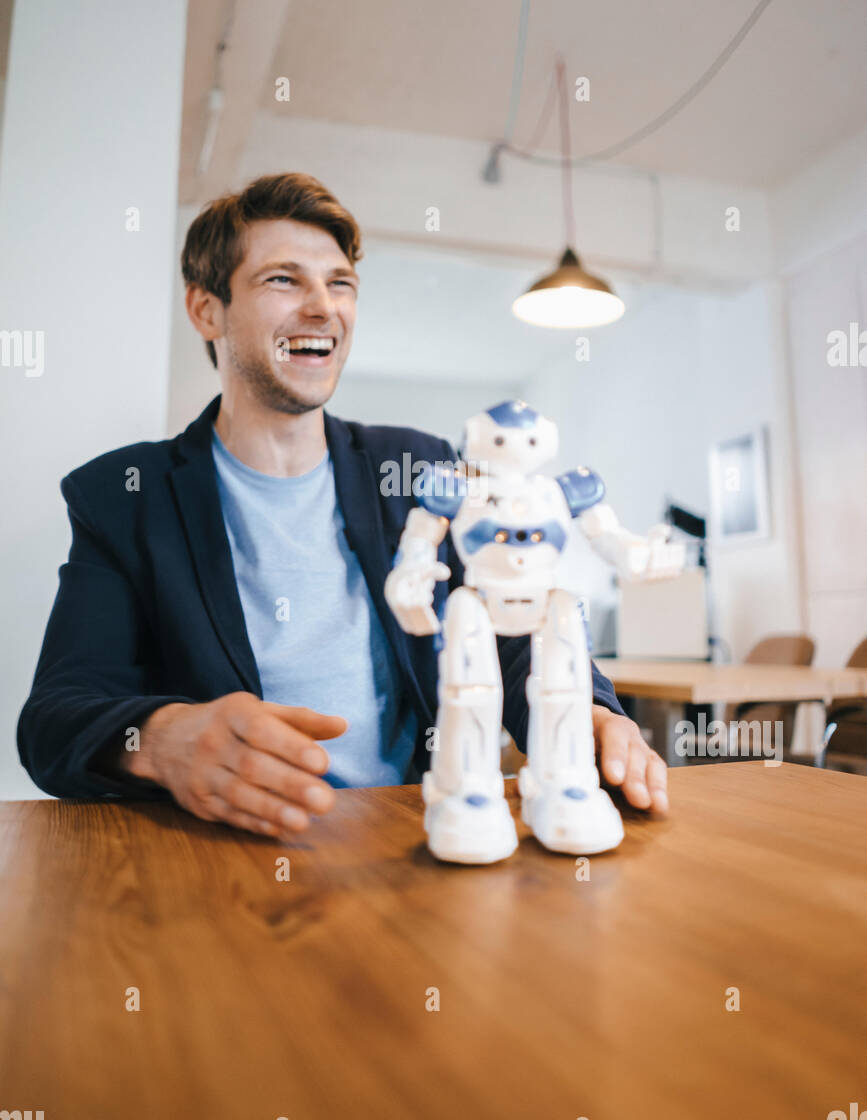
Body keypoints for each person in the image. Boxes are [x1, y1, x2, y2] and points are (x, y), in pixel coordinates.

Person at [17, 173, 670, 840]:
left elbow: (510, 631)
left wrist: (589, 715)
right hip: (223, 856)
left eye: (339, 283)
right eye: (283, 280)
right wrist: (163, 739)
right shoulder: (125, 495)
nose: (322, 307)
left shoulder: (416, 467)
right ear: (207, 309)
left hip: (409, 836)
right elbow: (55, 721)